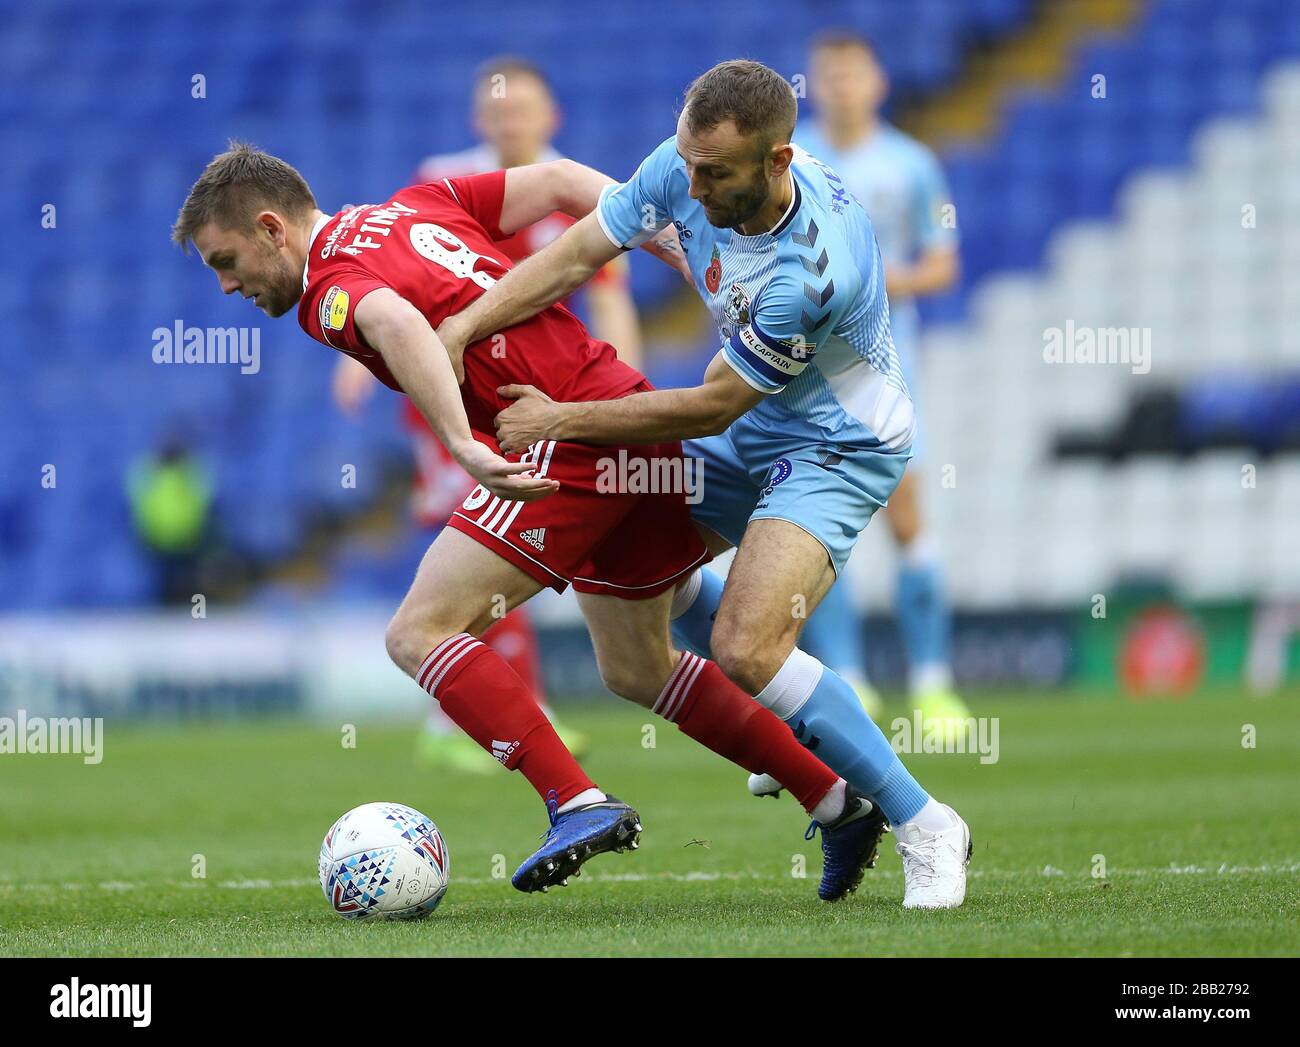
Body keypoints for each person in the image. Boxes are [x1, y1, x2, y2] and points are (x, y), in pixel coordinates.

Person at [171, 142, 885, 899]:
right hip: (625, 413)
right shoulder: (413, 206)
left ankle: (576, 801)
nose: (224, 285)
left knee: (418, 631)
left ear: (274, 229)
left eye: (225, 259)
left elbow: (397, 322)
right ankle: (839, 801)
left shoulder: (330, 288)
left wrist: (459, 444)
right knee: (636, 666)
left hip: (564, 432)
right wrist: (674, 239)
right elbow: (557, 180)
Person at [437, 60, 972, 908]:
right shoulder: (690, 160)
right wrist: (463, 326)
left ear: (778, 162)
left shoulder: (810, 271)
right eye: (687, 162)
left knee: (748, 647)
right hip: (757, 417)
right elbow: (579, 250)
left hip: (835, 442)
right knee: (637, 531)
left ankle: (926, 822)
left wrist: (560, 421)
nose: (689, 184)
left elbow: (715, 405)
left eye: (713, 174)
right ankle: (809, 745)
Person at [333, 57, 643, 772]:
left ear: (549, 118)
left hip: (532, 398)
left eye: (522, 110)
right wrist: (351, 363)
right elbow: (381, 287)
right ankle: (491, 711)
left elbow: (611, 296)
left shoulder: (572, 189)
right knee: (483, 539)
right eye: (498, 112)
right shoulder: (444, 177)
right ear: (480, 121)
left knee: (503, 545)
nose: (510, 121)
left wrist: (628, 397)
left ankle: (471, 710)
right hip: (450, 403)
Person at [797, 30, 970, 728]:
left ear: (877, 83)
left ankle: (932, 682)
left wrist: (874, 282)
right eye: (827, 76)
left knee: (906, 518)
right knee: (817, 529)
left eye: (851, 75)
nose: (839, 86)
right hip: (806, 374)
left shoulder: (913, 163)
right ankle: (850, 680)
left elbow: (943, 261)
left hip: (887, 368)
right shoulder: (793, 158)